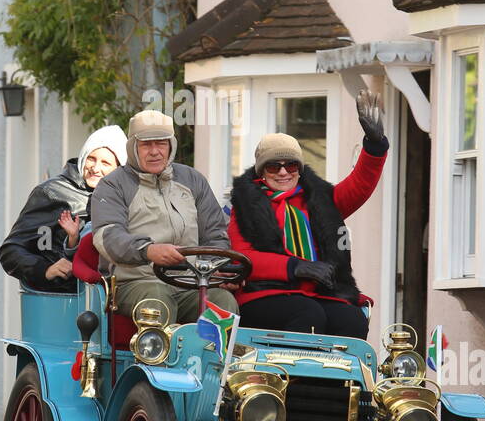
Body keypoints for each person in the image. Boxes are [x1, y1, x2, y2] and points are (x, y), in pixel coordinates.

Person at [228, 91, 389, 338]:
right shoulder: (245, 205)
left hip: (320, 292)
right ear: (261, 172)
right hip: (266, 293)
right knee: (307, 314)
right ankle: (297, 378)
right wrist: (295, 267)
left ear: (299, 170)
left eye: (291, 165)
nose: (283, 173)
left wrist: (375, 146)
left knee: (352, 320)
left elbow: (359, 186)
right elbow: (243, 258)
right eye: (274, 166)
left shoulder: (318, 199)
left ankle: (339, 378)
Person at [91, 109, 237, 324]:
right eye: (146, 144)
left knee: (222, 302)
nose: (155, 151)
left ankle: (214, 358)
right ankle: (156, 357)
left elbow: (215, 234)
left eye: (161, 143)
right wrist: (148, 251)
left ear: (171, 145)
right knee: (157, 300)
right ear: (132, 147)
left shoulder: (192, 179)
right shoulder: (113, 185)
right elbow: (107, 236)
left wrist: (216, 267)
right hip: (135, 283)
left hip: (190, 283)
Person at [0, 126, 127, 291]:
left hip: (109, 297)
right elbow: (10, 251)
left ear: (119, 167)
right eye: (91, 158)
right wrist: (45, 269)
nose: (95, 168)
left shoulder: (125, 197)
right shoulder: (52, 192)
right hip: (59, 299)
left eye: (105, 163)